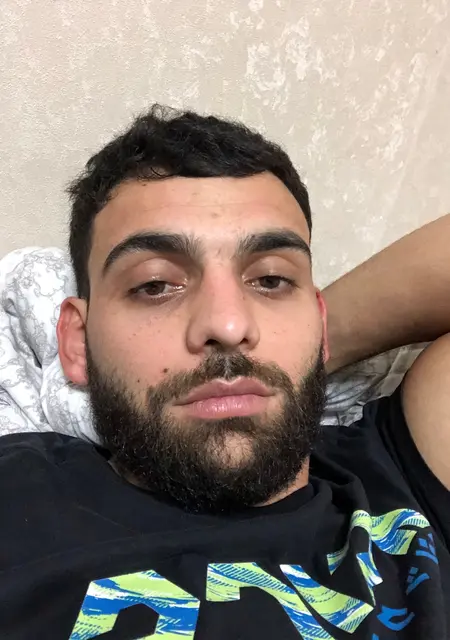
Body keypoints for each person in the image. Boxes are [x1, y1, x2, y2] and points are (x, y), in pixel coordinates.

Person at [0, 105, 448, 640]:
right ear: (77, 342)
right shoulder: (18, 494)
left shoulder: (401, 473)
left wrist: (309, 351)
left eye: (272, 280)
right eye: (155, 285)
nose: (229, 325)